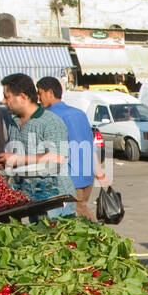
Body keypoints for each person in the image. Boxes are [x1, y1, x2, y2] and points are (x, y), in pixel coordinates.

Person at [0, 73, 74, 216]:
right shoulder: (14, 122)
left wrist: (18, 159)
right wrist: (7, 163)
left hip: (55, 200)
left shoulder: (50, 122)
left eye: (7, 97)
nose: (3, 101)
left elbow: (57, 158)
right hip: (31, 198)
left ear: (23, 97)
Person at [37, 77, 104, 220]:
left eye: (40, 93)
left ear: (50, 93)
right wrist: (100, 175)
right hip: (87, 177)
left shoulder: (50, 117)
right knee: (81, 211)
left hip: (70, 180)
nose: (38, 97)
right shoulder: (79, 114)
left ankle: (99, 237)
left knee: (74, 217)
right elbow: (90, 146)